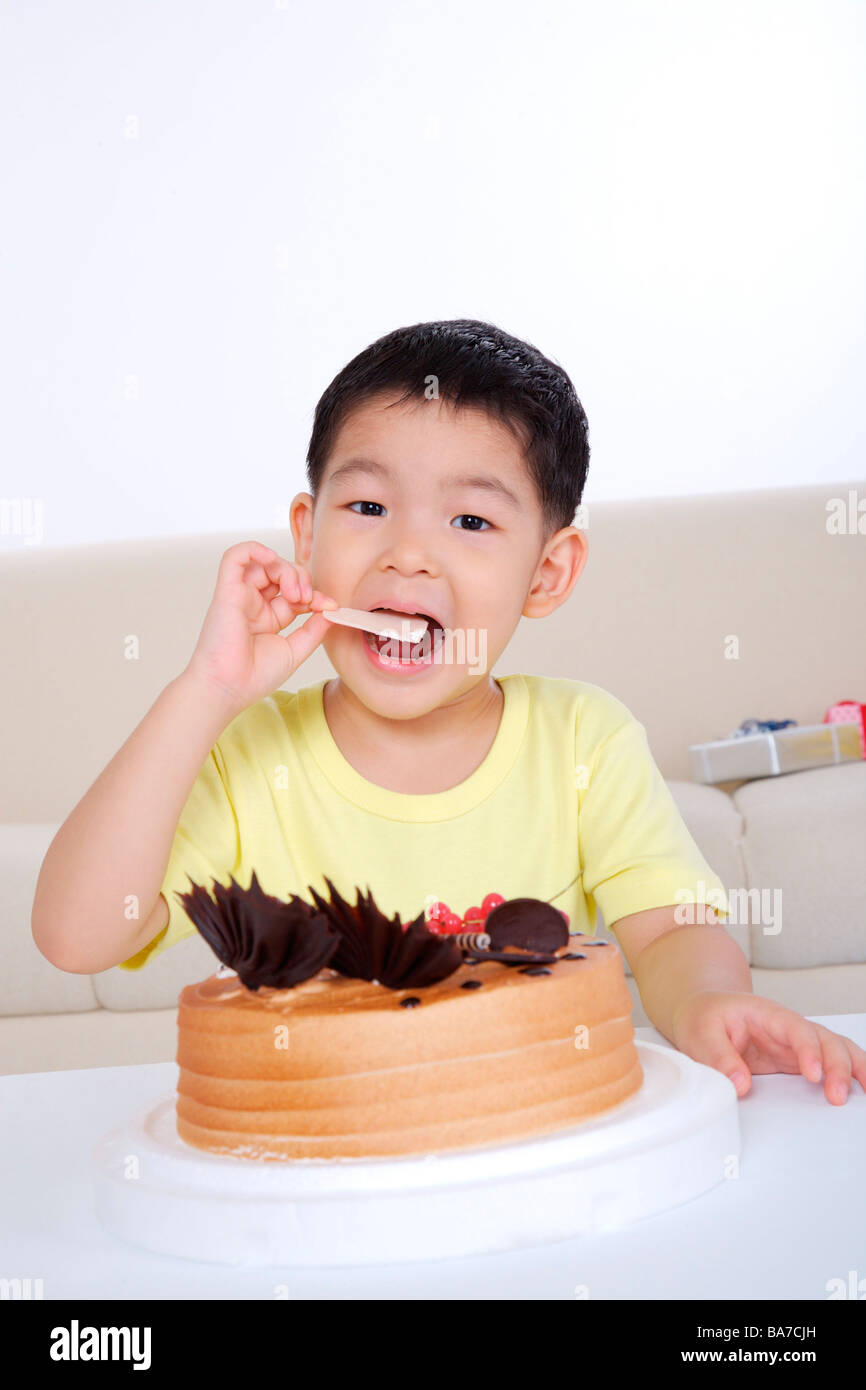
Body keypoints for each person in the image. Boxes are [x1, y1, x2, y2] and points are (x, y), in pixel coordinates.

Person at [32, 318, 865, 1106]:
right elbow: (77, 938)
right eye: (366, 508)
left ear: (547, 575)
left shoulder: (584, 739)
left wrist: (708, 1005)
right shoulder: (247, 754)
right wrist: (202, 693)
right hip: (323, 1162)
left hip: (534, 1136)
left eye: (471, 519)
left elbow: (672, 932)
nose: (409, 553)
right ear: (307, 532)